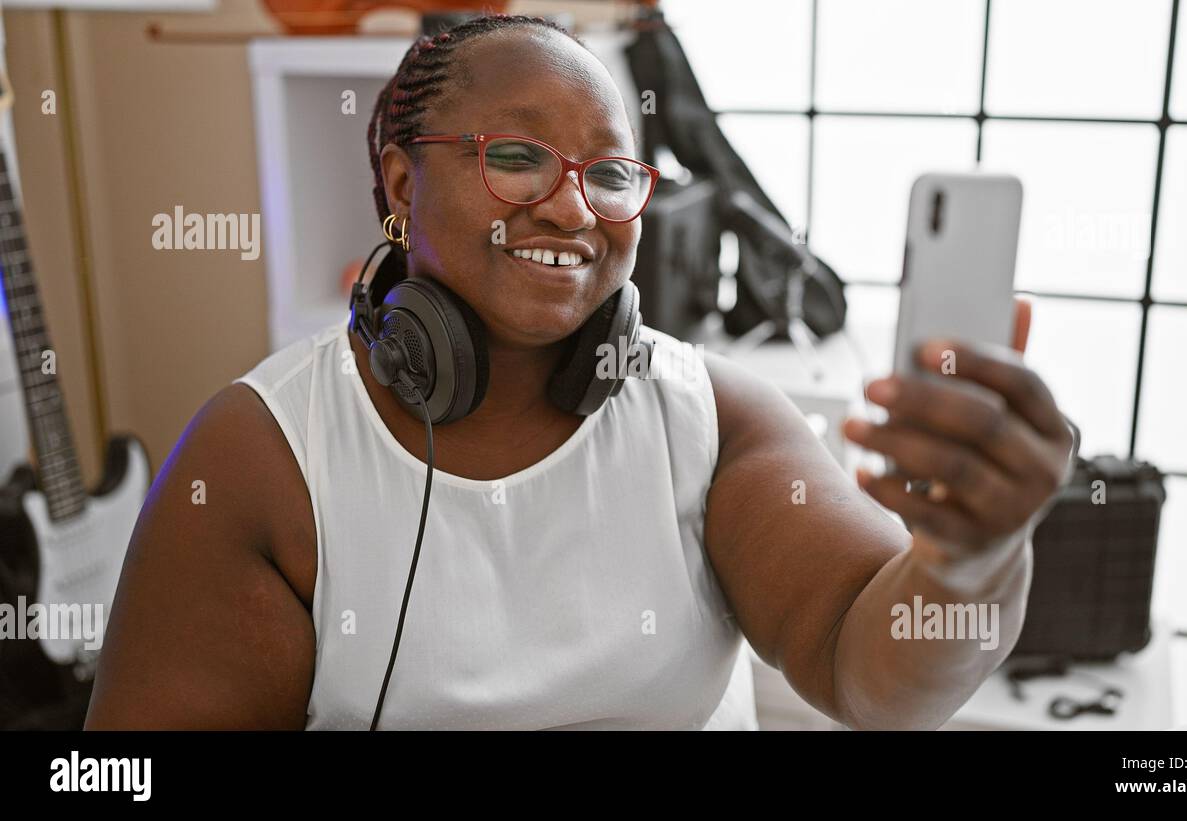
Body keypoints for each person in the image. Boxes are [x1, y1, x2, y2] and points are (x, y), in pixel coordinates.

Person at [84, 14, 1074, 730]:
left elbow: (876, 680)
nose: (573, 208)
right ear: (400, 183)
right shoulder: (263, 452)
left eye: (609, 174)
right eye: (516, 156)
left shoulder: (715, 417)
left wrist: (971, 558)